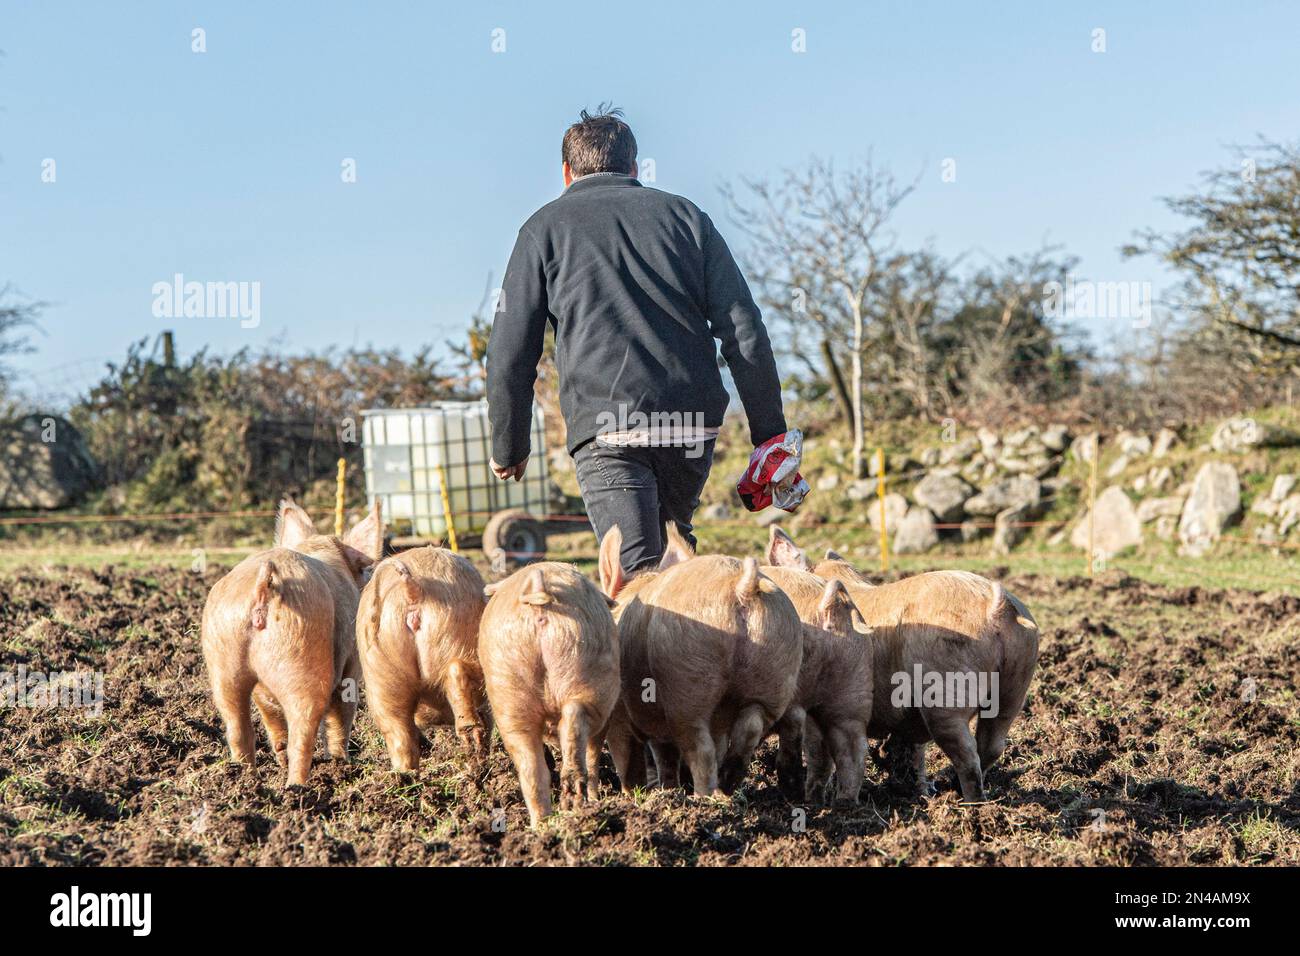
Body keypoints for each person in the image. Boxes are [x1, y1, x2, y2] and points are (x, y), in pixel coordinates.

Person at [486, 105, 786, 573]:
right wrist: (770, 435)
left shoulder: (543, 229)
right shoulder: (688, 218)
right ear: (635, 168)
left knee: (637, 583)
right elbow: (743, 329)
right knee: (674, 561)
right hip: (691, 424)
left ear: (567, 172)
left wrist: (510, 444)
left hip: (609, 426)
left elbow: (510, 352)